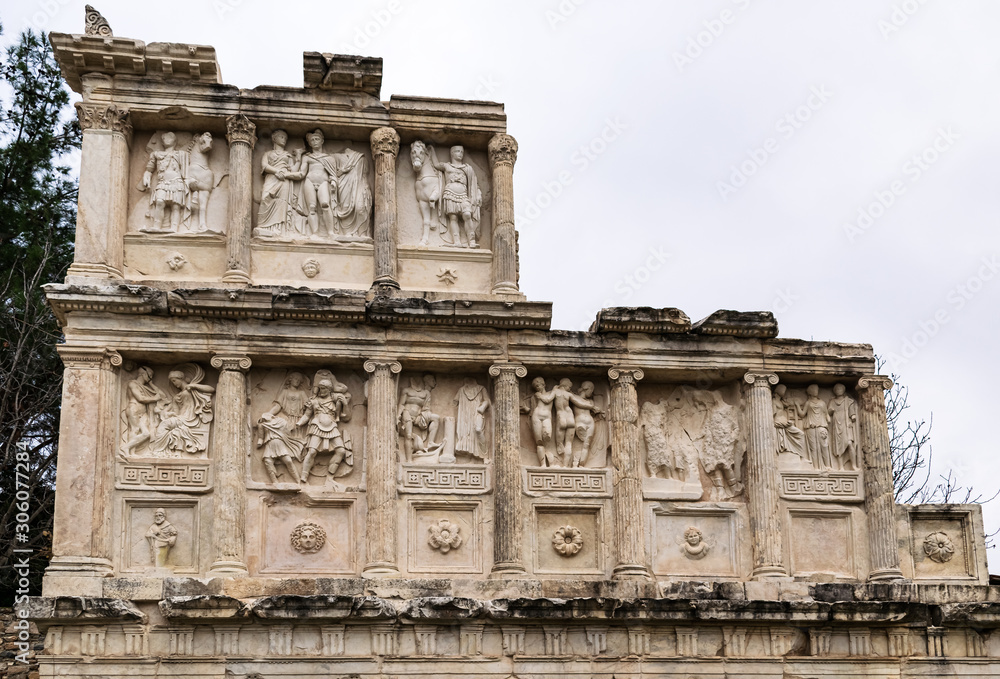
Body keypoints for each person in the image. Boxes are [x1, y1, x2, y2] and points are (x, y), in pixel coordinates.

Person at [296, 372, 352, 484]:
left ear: (330, 389)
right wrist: (298, 424)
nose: (322, 391)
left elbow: (346, 418)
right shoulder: (314, 401)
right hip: (317, 426)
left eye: (325, 389)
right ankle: (304, 476)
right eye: (321, 389)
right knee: (311, 452)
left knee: (341, 451)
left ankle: (330, 477)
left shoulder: (336, 401)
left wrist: (345, 404)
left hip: (332, 427)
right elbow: (307, 415)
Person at [427, 144, 481, 247]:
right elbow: (436, 164)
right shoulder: (447, 166)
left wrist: (478, 194)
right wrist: (432, 150)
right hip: (449, 193)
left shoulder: (468, 168)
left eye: (461, 152)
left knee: (467, 214)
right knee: (453, 218)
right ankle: (457, 241)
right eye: (457, 151)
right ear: (452, 153)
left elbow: (474, 184)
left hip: (463, 194)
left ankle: (472, 241)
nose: (460, 154)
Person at [255, 129, 306, 239]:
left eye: (285, 138)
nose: (284, 140)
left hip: (284, 180)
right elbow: (264, 165)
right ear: (274, 138)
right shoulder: (268, 153)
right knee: (265, 198)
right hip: (272, 178)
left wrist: (298, 158)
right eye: (281, 137)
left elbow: (293, 170)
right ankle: (263, 227)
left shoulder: (287, 156)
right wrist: (276, 171)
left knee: (282, 203)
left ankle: (278, 229)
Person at [139, 131, 190, 233]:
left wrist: (188, 183)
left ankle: (174, 228)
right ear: (162, 142)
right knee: (160, 202)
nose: (166, 139)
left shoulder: (181, 154)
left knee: (176, 205)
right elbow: (150, 168)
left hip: (177, 182)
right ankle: (157, 226)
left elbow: (186, 171)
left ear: (174, 141)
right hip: (162, 182)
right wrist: (147, 175)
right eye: (164, 138)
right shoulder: (156, 154)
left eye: (169, 137)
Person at [123, 366, 168, 455]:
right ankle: (130, 452)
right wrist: (154, 398)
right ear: (144, 374)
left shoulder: (145, 387)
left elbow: (161, 394)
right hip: (134, 408)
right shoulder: (133, 384)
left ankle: (126, 447)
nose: (150, 378)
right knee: (135, 430)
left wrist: (151, 384)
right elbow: (140, 398)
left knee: (147, 433)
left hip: (143, 411)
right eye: (150, 376)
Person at [397, 375, 441, 461]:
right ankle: (409, 460)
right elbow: (401, 404)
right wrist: (398, 416)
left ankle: (430, 442)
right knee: (408, 436)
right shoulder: (406, 391)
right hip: (407, 414)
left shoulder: (426, 393)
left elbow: (426, 407)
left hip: (419, 416)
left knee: (436, 418)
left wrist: (424, 415)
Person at [522, 377, 556, 466]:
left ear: (543, 384)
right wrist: (526, 409)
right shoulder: (534, 396)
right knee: (539, 441)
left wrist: (540, 396)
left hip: (547, 417)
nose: (538, 388)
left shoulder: (551, 393)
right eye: (536, 387)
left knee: (547, 436)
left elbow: (548, 400)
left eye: (539, 385)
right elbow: (532, 409)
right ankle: (543, 464)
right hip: (536, 416)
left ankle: (550, 460)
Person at [454, 378, 490, 462]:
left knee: (478, 430)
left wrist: (482, 407)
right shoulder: (461, 390)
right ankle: (470, 455)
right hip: (465, 416)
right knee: (466, 434)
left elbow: (487, 400)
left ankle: (485, 455)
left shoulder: (481, 388)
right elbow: (455, 401)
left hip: (477, 413)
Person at [797, 384, 832, 469]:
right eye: (813, 389)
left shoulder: (822, 403)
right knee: (814, 448)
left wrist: (828, 418)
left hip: (821, 426)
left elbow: (826, 414)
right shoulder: (808, 403)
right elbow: (802, 414)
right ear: (810, 392)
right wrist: (797, 405)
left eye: (816, 389)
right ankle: (816, 468)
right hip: (810, 427)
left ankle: (827, 466)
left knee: (824, 446)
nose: (816, 391)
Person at [828, 383, 859, 470]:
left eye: (840, 389)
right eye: (837, 390)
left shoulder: (848, 401)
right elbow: (829, 411)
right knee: (838, 447)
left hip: (846, 424)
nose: (839, 391)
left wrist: (852, 416)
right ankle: (841, 467)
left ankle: (853, 465)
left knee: (849, 443)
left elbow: (852, 412)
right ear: (834, 391)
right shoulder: (832, 401)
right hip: (837, 425)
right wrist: (831, 410)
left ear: (843, 390)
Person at [773, 384, 806, 459]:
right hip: (779, 423)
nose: (784, 392)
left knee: (801, 434)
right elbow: (773, 415)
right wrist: (779, 422)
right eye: (782, 390)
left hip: (784, 423)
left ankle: (800, 454)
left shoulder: (781, 402)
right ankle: (794, 453)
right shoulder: (774, 401)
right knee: (800, 434)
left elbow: (799, 402)